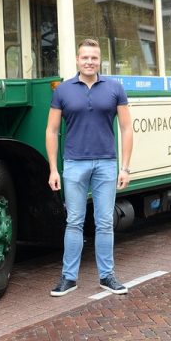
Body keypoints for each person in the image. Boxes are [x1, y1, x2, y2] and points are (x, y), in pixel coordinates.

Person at [45, 38, 133, 297]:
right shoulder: (63, 90)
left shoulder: (115, 88)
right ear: (77, 60)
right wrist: (53, 169)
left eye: (94, 58)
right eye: (85, 57)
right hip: (74, 164)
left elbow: (127, 128)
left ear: (99, 60)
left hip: (106, 163)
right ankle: (68, 278)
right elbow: (51, 131)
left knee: (104, 223)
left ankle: (107, 276)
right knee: (74, 222)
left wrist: (125, 168)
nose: (89, 62)